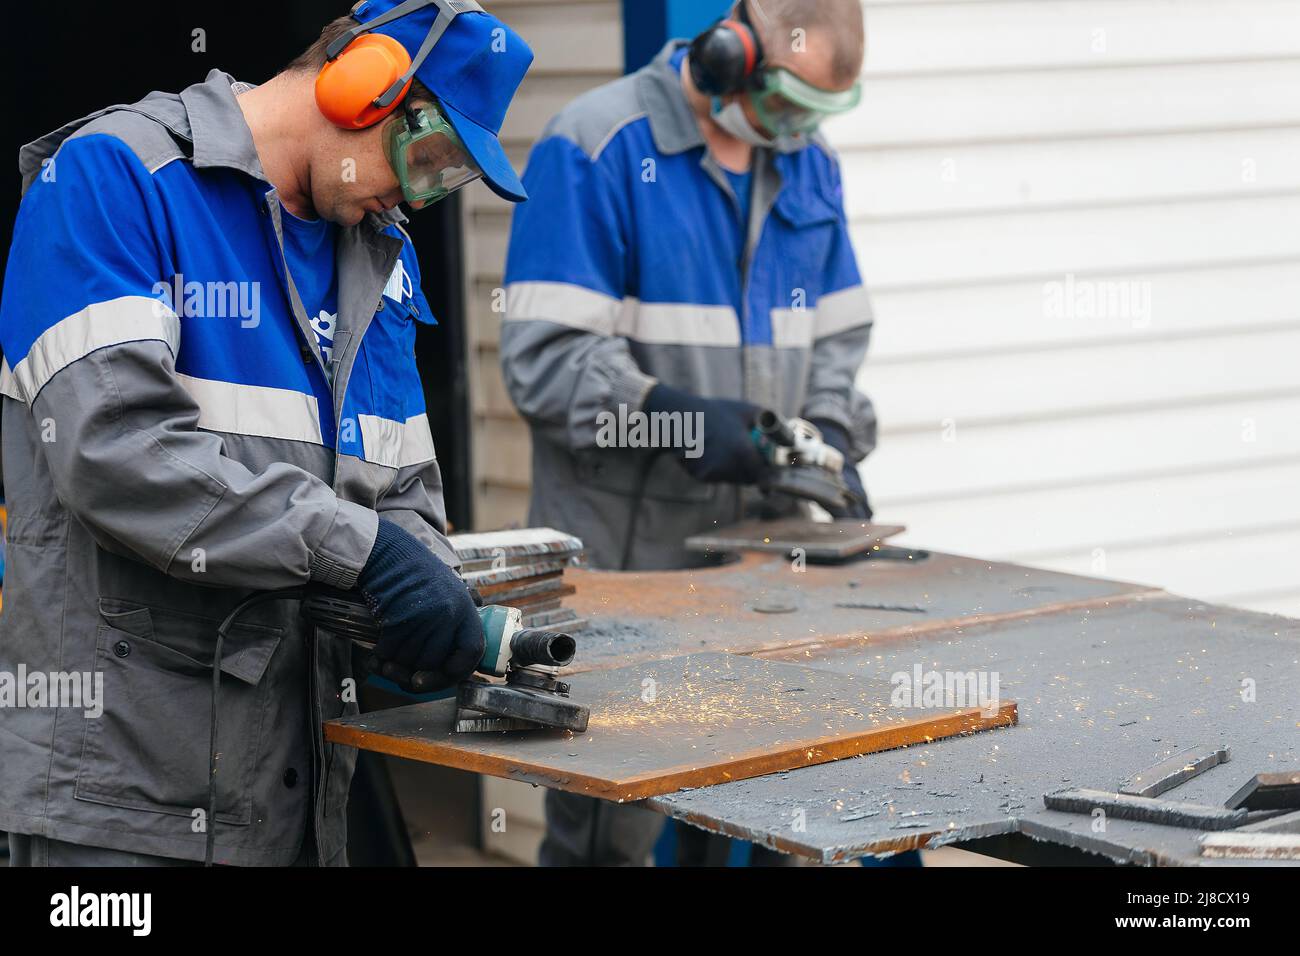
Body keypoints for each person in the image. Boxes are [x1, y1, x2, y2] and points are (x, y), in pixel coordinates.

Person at [0, 0, 532, 867]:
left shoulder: (377, 261)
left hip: (302, 787)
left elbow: (400, 490)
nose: (417, 196)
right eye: (425, 159)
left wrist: (423, 592)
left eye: (447, 182)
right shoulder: (115, 181)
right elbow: (116, 452)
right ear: (363, 86)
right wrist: (361, 555)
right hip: (124, 802)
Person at [501, 0, 882, 865]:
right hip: (629, 574)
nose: (795, 132)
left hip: (760, 570)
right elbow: (543, 363)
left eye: (815, 116)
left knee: (766, 812)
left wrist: (823, 428)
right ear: (727, 54)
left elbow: (837, 338)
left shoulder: (808, 167)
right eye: (787, 104)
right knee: (610, 832)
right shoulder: (595, 147)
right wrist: (680, 422)